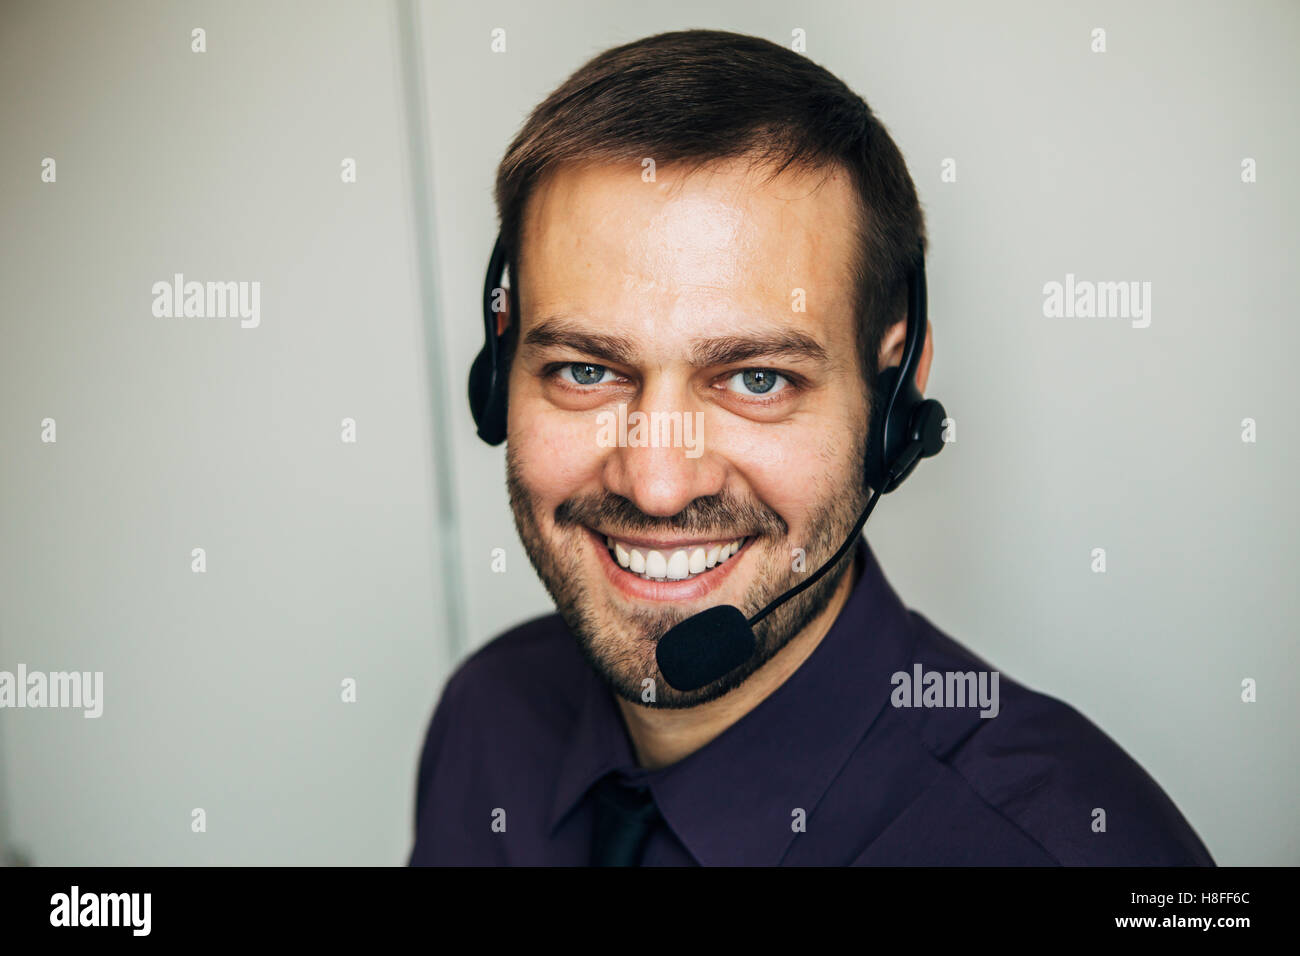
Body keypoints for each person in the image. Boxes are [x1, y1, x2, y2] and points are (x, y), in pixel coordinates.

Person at [409, 29, 1213, 866]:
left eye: (757, 379)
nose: (655, 483)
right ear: (501, 372)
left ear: (896, 397)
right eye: (585, 369)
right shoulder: (487, 719)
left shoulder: (1076, 848)